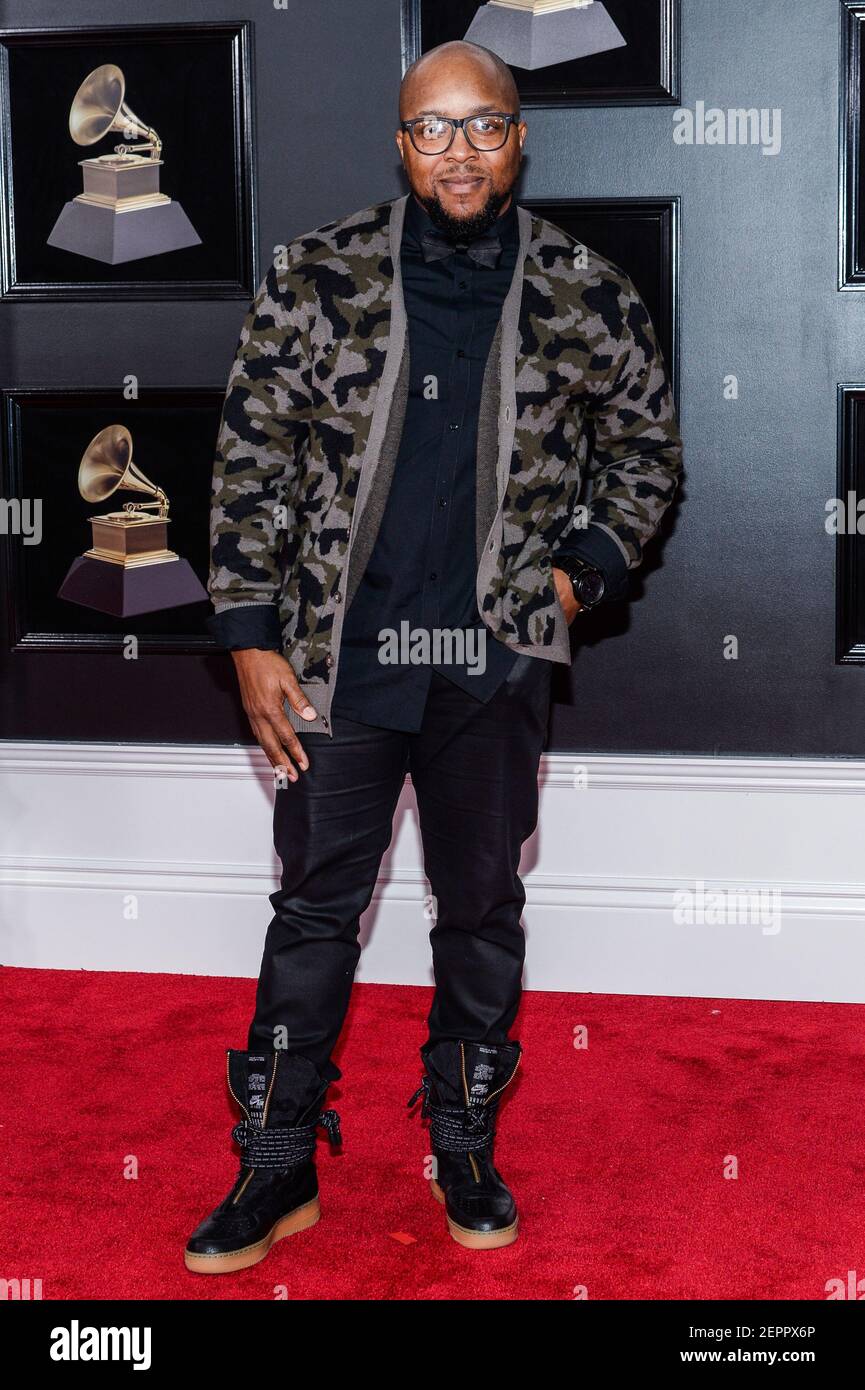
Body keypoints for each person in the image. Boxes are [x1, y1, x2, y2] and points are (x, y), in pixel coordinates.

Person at [185, 39, 682, 1273]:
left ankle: (462, 1142)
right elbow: (247, 469)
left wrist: (579, 572)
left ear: (519, 137)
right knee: (313, 911)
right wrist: (249, 639)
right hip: (334, 664)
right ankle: (277, 1161)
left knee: (481, 911)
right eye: (430, 129)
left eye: (481, 126)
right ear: (401, 144)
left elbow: (647, 452)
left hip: (494, 663)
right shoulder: (317, 278)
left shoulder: (585, 288)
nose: (456, 151)